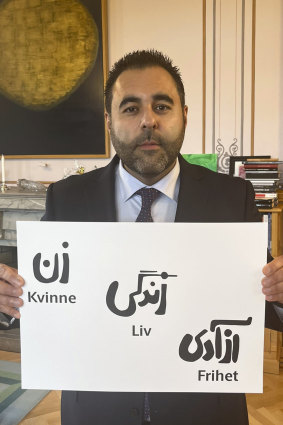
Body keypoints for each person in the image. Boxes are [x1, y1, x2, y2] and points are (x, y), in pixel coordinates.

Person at [0, 50, 283, 425]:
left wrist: (279, 296)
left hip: (206, 412)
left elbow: (260, 305)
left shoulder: (234, 197)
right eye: (131, 108)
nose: (148, 120)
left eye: (162, 106)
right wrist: (7, 300)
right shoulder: (66, 199)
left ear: (184, 114)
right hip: (96, 412)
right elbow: (44, 303)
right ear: (109, 120)